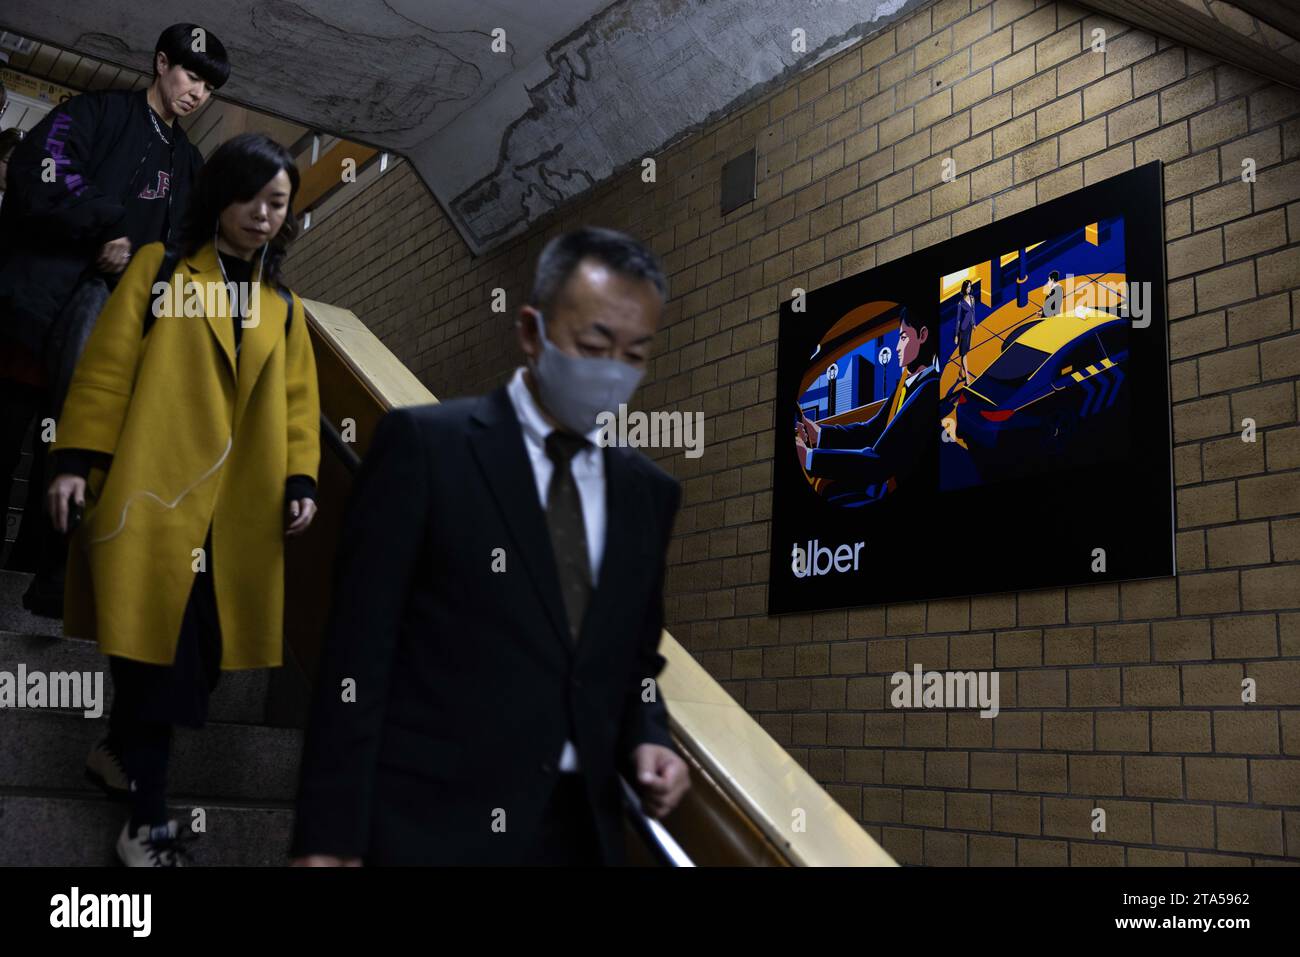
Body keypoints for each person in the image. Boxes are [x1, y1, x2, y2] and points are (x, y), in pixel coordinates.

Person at [290, 227, 690, 867]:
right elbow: (358, 656)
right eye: (594, 344)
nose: (613, 371)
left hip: (581, 834)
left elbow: (632, 661)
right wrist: (327, 837)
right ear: (531, 332)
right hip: (430, 828)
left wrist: (651, 737)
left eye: (635, 354)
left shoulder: (647, 495)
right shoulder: (425, 448)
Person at [45, 133, 320, 866]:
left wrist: (301, 478)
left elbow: (298, 404)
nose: (264, 215)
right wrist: (74, 461)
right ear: (220, 196)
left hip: (233, 517)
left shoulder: (284, 310)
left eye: (279, 203)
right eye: (252, 197)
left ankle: (112, 749)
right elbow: (105, 370)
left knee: (183, 654)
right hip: (152, 495)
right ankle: (146, 822)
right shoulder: (158, 269)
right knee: (155, 651)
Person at [0, 23, 229, 615]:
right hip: (36, 315)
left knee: (79, 445)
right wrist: (104, 222)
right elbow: (43, 165)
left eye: (208, 87)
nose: (196, 93)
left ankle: (48, 571)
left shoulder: (190, 161)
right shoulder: (96, 113)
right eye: (190, 75)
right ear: (160, 63)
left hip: (108, 332)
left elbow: (189, 247)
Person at [795, 305, 939, 504]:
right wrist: (819, 434)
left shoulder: (929, 389)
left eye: (903, 337)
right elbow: (871, 431)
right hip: (878, 484)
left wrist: (809, 458)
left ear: (922, 336)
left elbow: (879, 461)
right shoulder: (907, 384)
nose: (897, 346)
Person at [954, 278, 976, 386]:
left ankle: (960, 372)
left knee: (965, 352)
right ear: (964, 288)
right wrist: (956, 335)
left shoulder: (972, 299)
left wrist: (974, 324)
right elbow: (958, 320)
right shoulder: (960, 303)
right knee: (964, 354)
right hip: (962, 330)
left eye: (970, 287)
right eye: (967, 287)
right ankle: (967, 378)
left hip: (969, 329)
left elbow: (973, 312)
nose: (969, 288)